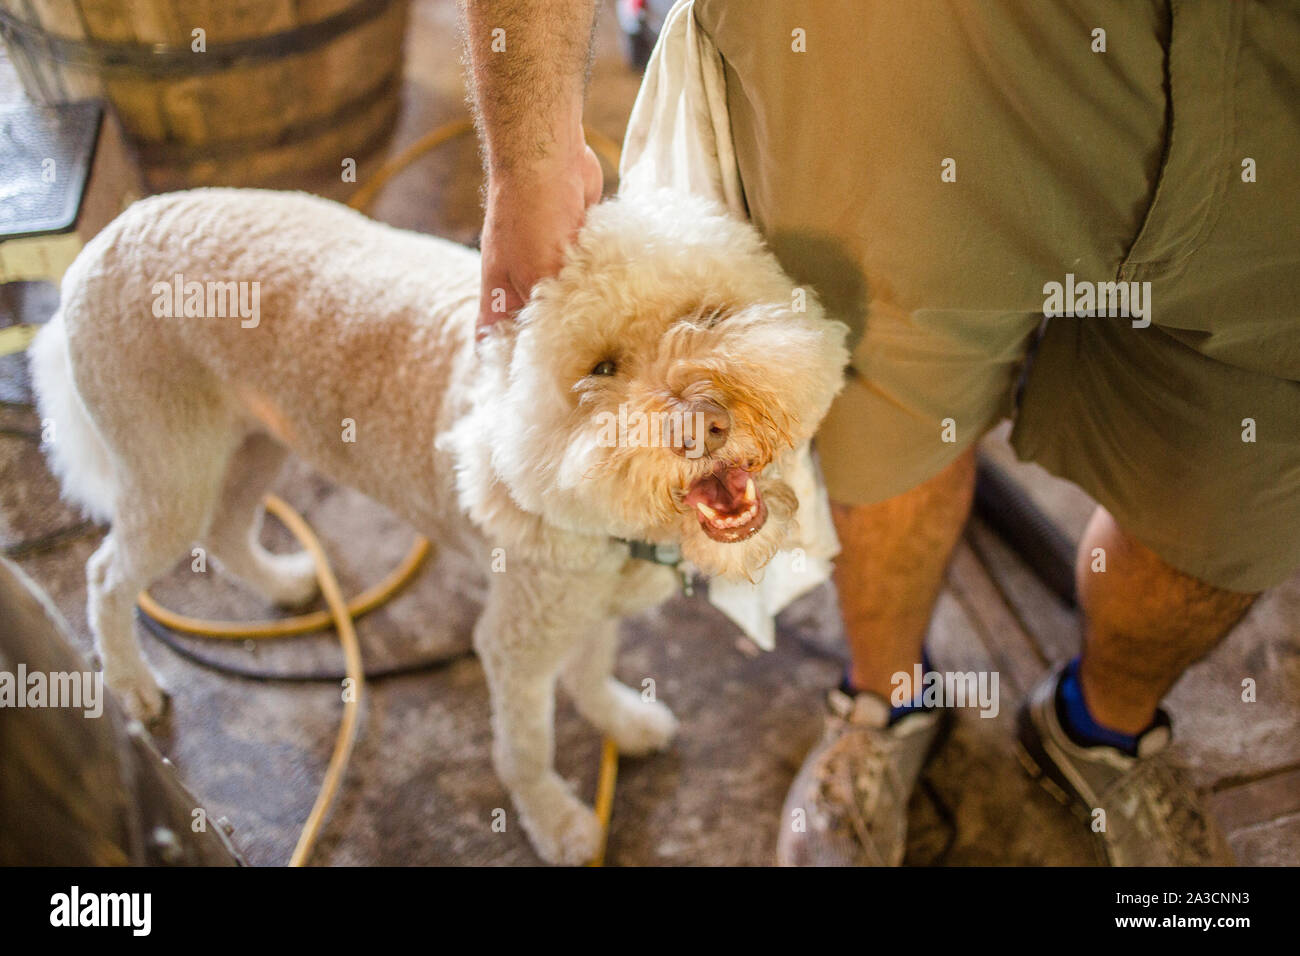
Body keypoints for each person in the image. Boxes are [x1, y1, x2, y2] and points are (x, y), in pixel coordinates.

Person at [460, 0, 1300, 865]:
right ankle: (883, 702)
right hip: (910, 38)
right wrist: (530, 163)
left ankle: (1103, 733)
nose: (692, 422)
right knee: (885, 423)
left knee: (1229, 511)